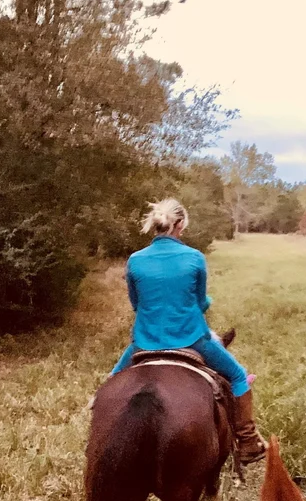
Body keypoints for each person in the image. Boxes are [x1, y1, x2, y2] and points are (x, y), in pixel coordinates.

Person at [111, 199, 267, 464]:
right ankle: (248, 439)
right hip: (192, 338)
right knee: (239, 376)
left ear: (156, 225)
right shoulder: (195, 257)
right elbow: (199, 301)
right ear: (180, 224)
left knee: (111, 383)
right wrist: (206, 303)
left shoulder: (135, 260)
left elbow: (137, 304)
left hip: (145, 341)